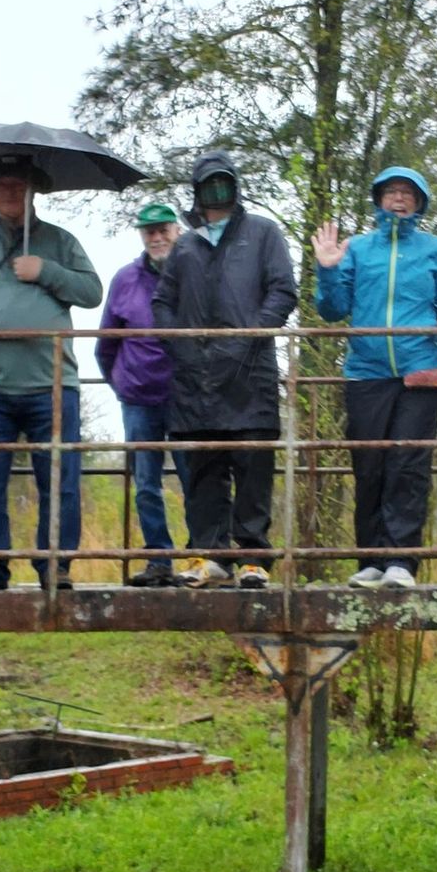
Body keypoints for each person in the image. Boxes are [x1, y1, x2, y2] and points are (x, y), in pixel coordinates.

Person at [0, 154, 103, 592]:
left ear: (34, 189)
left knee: (61, 479)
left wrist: (44, 270)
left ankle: (54, 566)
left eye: (19, 183)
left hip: (51, 384)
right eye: (2, 184)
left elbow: (91, 292)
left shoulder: (61, 242)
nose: (10, 191)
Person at [314, 166, 437, 588]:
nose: (399, 198)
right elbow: (331, 309)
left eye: (408, 192)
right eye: (391, 192)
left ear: (419, 202)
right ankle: (372, 560)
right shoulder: (359, 250)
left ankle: (402, 561)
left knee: (409, 464)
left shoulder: (436, 250)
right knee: (369, 466)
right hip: (366, 371)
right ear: (378, 200)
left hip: (420, 367)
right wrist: (328, 269)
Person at [151, 154, 298, 590]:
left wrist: (250, 336)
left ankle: (253, 557)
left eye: (224, 182)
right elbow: (163, 300)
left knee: (253, 466)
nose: (217, 191)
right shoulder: (186, 245)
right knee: (201, 470)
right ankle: (207, 556)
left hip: (249, 373)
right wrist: (175, 340)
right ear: (197, 191)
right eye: (208, 184)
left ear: (235, 185)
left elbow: (282, 290)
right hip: (195, 377)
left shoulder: (263, 233)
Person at [98, 202, 192, 586]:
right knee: (147, 484)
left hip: (187, 397)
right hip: (139, 397)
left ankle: (203, 558)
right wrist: (120, 383)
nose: (156, 238)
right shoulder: (125, 279)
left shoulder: (193, 272)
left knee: (196, 480)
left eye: (163, 230)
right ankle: (159, 559)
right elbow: (106, 341)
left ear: (176, 232)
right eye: (149, 231)